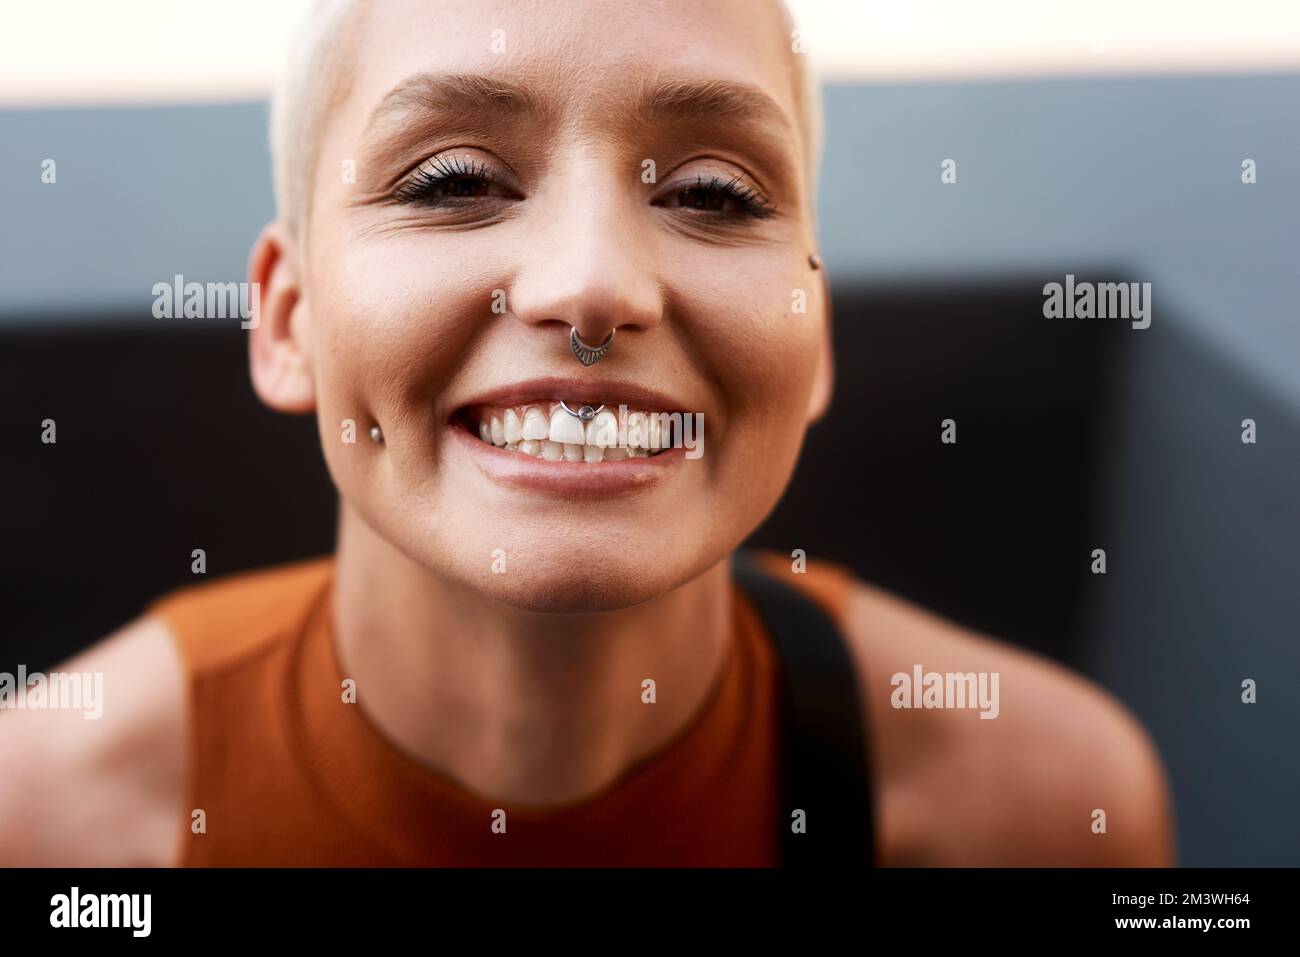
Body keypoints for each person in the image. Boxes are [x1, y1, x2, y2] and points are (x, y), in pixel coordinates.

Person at [0, 0, 1174, 866]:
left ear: (813, 331)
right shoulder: (48, 813)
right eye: (453, 178)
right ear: (287, 319)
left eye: (712, 194)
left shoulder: (1044, 806)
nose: (594, 282)